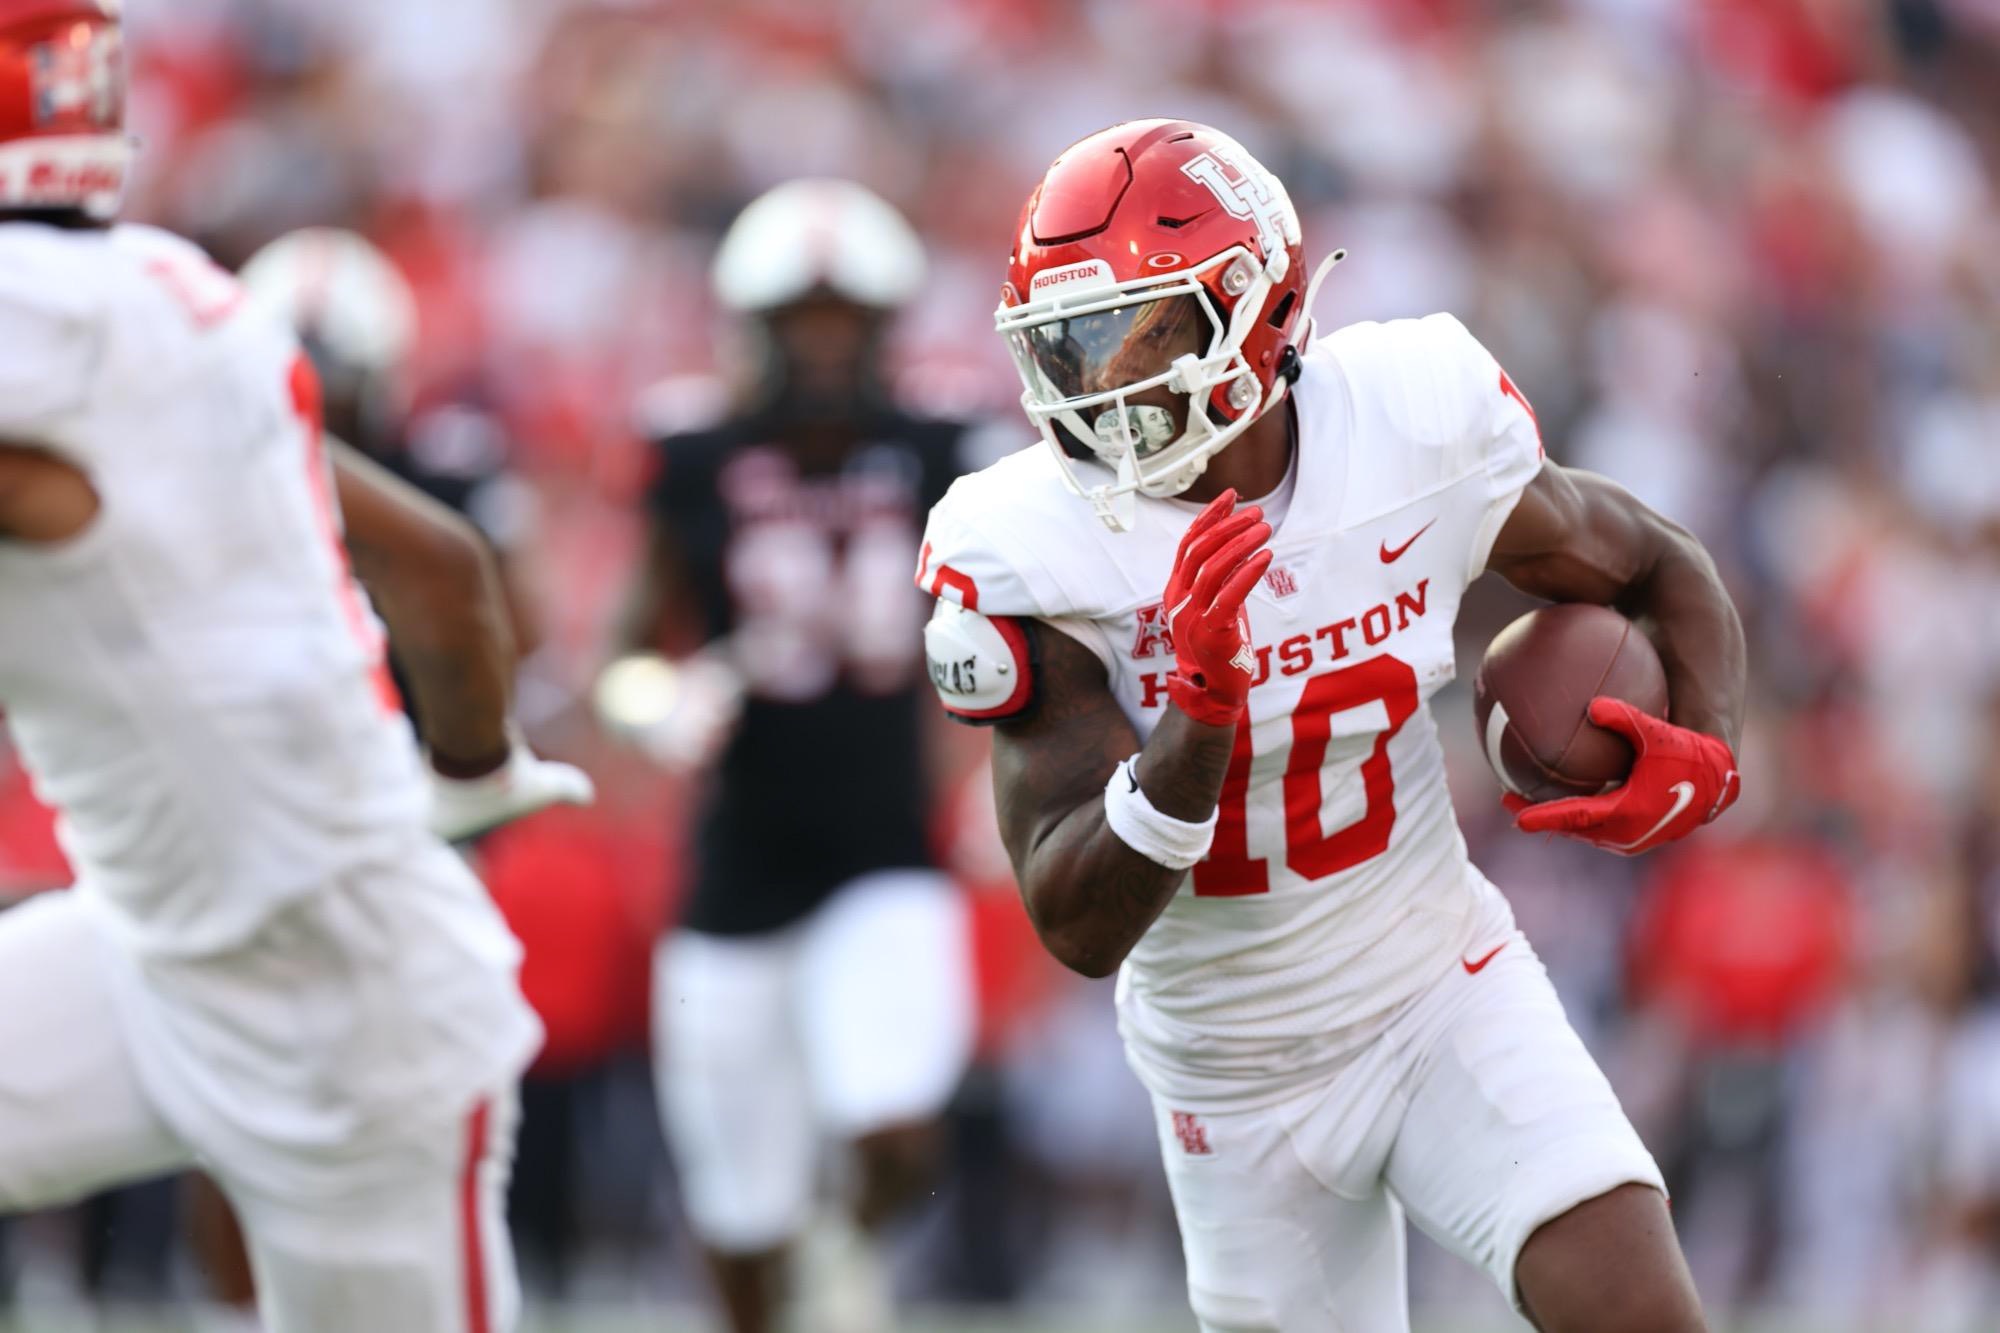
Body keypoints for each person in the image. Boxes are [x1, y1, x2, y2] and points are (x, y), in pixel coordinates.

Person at [917, 119, 1745, 1333]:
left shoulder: (1411, 421)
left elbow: (1652, 560)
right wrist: (1195, 726)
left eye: (1135, 330)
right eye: (1069, 343)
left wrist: (1708, 746)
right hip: (1234, 1077)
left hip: (1439, 985)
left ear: (1252, 308)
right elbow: (1072, 919)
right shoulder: (1028, 547)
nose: (1098, 382)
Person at [0, 3, 592, 1330]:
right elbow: (441, 568)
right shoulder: (190, 308)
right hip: (159, 950)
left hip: (338, 1009)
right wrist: (473, 783)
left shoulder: (53, 325)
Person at [606, 178, 978, 1333]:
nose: (823, 350)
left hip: (883, 850)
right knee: (739, 1215)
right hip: (736, 869)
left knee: (899, 1123)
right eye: (801, 324)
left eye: (842, 323)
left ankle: (844, 1248)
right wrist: (657, 701)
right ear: (755, 330)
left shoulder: (941, 450)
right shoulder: (696, 451)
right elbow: (624, 650)